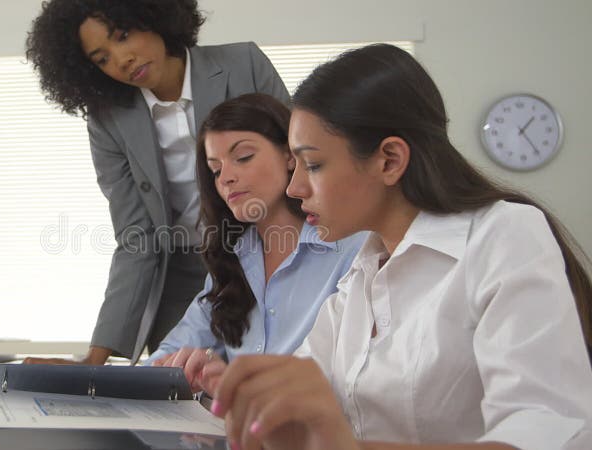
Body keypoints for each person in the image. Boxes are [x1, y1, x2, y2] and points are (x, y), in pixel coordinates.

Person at [205, 44, 592, 450]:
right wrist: (231, 390)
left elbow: (545, 436)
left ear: (389, 160)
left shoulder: (503, 236)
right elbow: (297, 393)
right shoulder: (361, 273)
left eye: (314, 165)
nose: (294, 187)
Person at [23, 0, 289, 364]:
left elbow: (298, 163)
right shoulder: (108, 120)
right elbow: (136, 238)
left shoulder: (243, 64)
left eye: (123, 36)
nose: (122, 59)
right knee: (172, 390)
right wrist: (93, 363)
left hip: (269, 253)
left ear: (154, 16)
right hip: (178, 278)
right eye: (101, 58)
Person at [145, 94, 365, 391]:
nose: (226, 178)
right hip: (235, 432)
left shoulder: (352, 247)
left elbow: (357, 377)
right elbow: (167, 356)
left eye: (243, 157)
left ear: (290, 155)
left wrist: (234, 385)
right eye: (216, 169)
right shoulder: (231, 260)